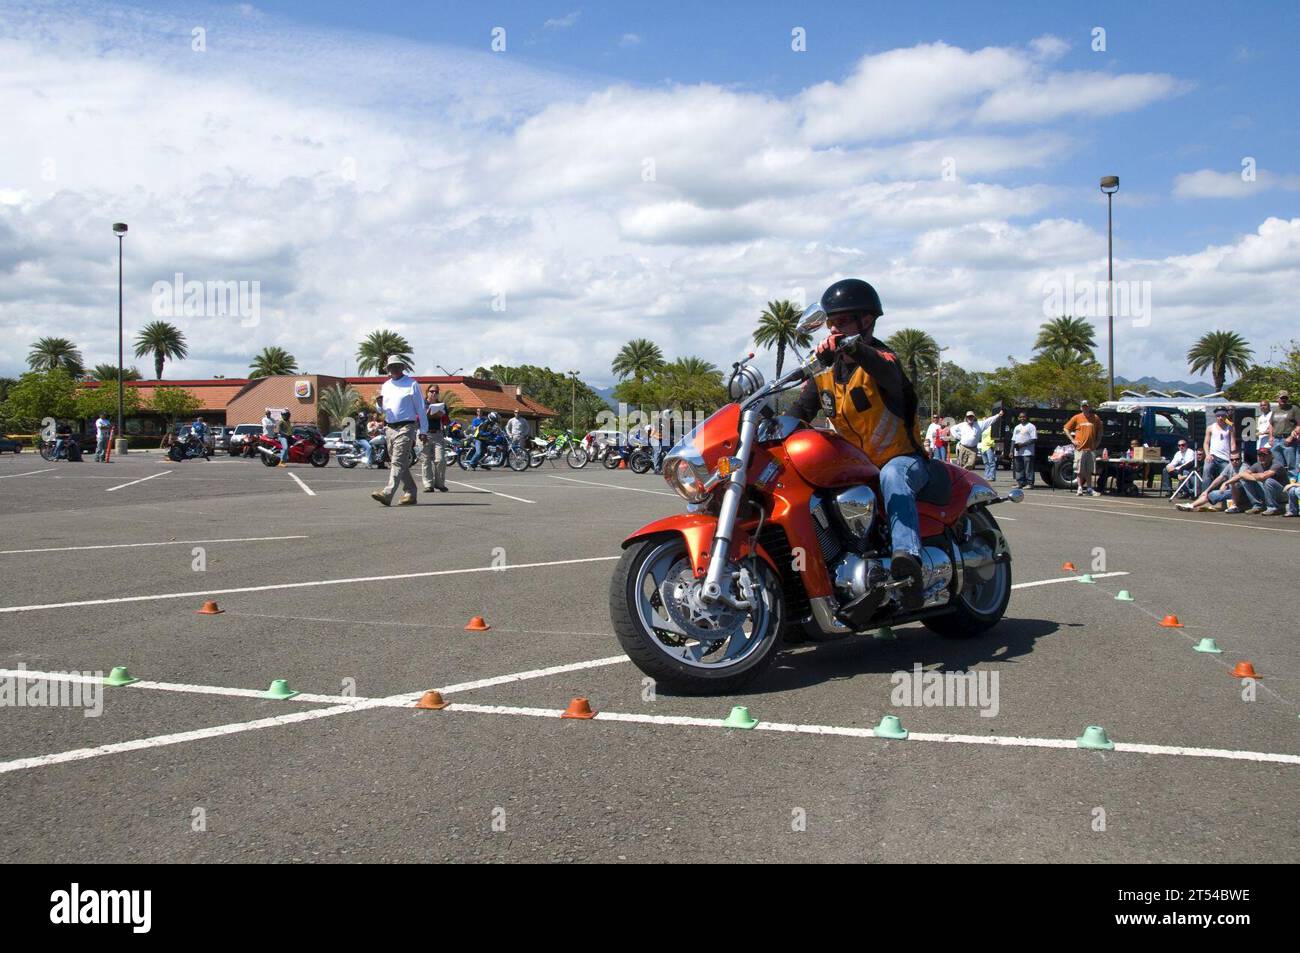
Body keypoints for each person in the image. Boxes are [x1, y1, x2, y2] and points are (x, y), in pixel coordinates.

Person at [790, 278, 929, 607]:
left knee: (892, 476)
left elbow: (885, 371)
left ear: (866, 322)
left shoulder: (884, 360)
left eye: (843, 322)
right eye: (831, 324)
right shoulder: (824, 373)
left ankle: (908, 561)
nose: (834, 331)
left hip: (901, 460)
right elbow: (798, 412)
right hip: (855, 468)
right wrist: (756, 418)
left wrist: (853, 348)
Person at [370, 356, 426, 506]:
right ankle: (411, 492)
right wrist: (379, 404)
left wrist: (423, 430)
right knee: (398, 462)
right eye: (391, 367)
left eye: (396, 366)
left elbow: (420, 409)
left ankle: (387, 494)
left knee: (397, 461)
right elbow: (382, 409)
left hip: (406, 427)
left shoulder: (412, 384)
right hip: (390, 427)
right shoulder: (386, 385)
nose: (393, 369)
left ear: (402, 367)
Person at [1177, 451, 1245, 512]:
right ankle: (1191, 505)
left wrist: (1226, 483)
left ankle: (1235, 506)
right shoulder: (1230, 466)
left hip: (1243, 493)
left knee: (1234, 484)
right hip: (1231, 492)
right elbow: (1219, 478)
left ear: (1241, 459)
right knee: (1211, 494)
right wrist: (1207, 490)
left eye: (1237, 459)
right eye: (1232, 460)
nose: (1234, 461)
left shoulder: (1244, 466)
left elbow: (1238, 477)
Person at [1063, 400, 1103, 497]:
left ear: (1089, 407)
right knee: (1079, 469)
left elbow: (1100, 429)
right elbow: (1066, 428)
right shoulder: (1077, 417)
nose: (1085, 408)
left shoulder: (1095, 418)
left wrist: (1098, 441)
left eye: (1086, 406)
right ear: (1081, 408)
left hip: (1091, 448)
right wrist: (1072, 440)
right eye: (1083, 406)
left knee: (1089, 470)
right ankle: (1080, 488)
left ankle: (1089, 488)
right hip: (1080, 448)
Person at [1238, 445, 1289, 515]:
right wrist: (1256, 478)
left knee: (1268, 481)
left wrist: (1256, 476)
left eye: (1265, 455)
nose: (1262, 458)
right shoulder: (1257, 465)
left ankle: (1272, 508)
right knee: (1244, 480)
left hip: (1282, 494)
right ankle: (1257, 506)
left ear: (1271, 456)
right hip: (1267, 492)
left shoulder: (1277, 465)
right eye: (1260, 456)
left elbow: (1264, 477)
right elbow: (1242, 474)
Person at [421, 384, 449, 493]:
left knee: (440, 459)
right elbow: (417, 418)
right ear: (427, 392)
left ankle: (440, 484)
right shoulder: (422, 403)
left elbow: (447, 421)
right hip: (425, 433)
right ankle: (428, 485)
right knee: (426, 460)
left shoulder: (441, 405)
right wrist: (426, 414)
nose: (434, 394)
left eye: (436, 392)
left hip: (438, 433)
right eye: (432, 391)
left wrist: (442, 415)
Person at [1202, 407, 1237, 487]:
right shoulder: (1210, 428)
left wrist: (1232, 457)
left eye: (1222, 415)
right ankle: (1205, 494)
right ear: (1216, 416)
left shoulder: (1230, 427)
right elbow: (1206, 443)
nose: (1220, 418)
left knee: (1226, 476)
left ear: (1225, 416)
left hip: (1225, 457)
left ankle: (1225, 494)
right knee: (1207, 470)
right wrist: (1207, 454)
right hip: (1213, 456)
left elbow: (1233, 443)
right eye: (1218, 416)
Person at [1270, 391, 1298, 475]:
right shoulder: (1275, 410)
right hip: (1276, 440)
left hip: (1288, 440)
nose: (1284, 400)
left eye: (1285, 398)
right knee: (1278, 466)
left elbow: (1299, 425)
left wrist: (1291, 438)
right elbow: (1271, 424)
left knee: (1291, 466)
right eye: (1282, 398)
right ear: (1277, 399)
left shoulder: (1294, 408)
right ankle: (1282, 483)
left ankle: (1293, 485)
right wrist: (1270, 437)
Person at [1010, 412, 1036, 488]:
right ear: (1018, 418)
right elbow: (1013, 440)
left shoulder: (1031, 426)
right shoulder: (1017, 427)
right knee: (1018, 469)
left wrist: (1022, 445)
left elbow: (1033, 439)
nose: (1022, 418)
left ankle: (1030, 484)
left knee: (1028, 469)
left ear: (1027, 417)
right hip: (1017, 452)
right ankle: (1020, 483)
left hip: (1028, 452)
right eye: (1020, 417)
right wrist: (1011, 451)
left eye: (1024, 417)